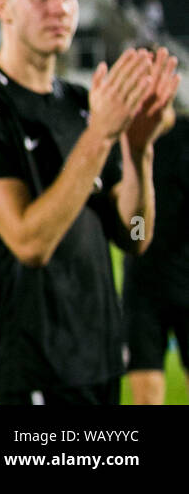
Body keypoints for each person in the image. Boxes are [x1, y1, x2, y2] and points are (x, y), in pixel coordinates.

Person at [0, 0, 179, 405]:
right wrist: (100, 137)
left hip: (102, 354)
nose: (60, 8)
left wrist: (136, 147)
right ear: (2, 7)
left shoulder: (78, 103)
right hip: (35, 365)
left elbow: (134, 235)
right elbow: (29, 242)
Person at [124, 98, 189, 404]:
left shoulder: (186, 135)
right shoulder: (125, 140)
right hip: (142, 289)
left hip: (187, 281)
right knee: (147, 397)